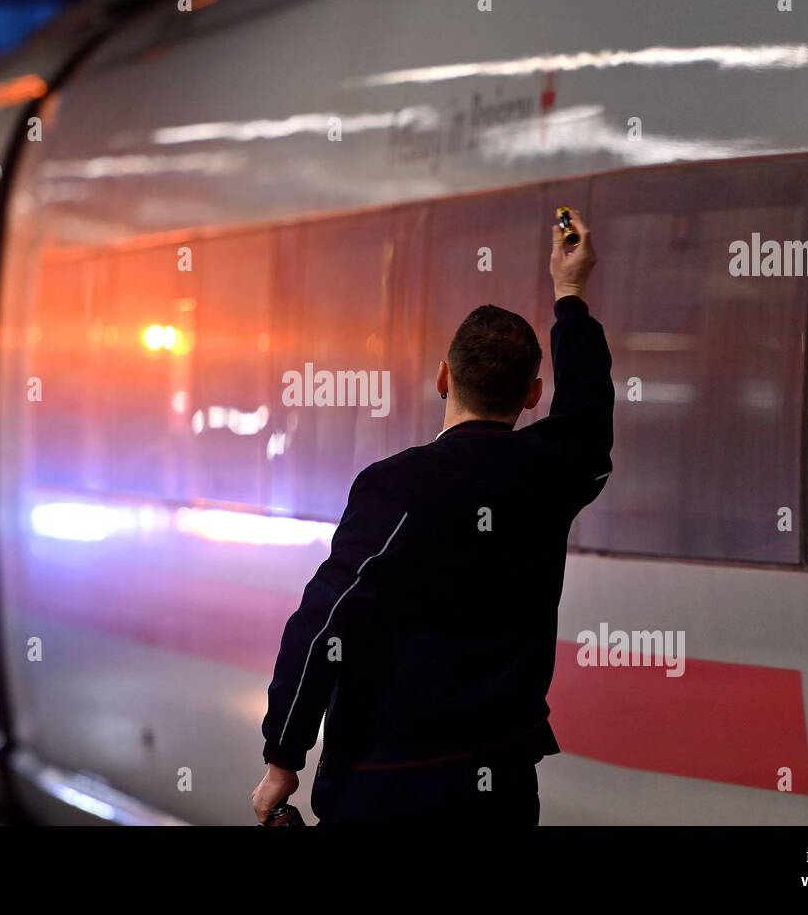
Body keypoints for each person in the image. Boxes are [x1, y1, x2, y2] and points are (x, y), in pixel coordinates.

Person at [252, 208, 612, 825]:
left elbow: (324, 621)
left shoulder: (394, 486)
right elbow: (588, 410)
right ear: (531, 394)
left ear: (443, 377)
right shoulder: (553, 473)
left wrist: (283, 759)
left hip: (385, 786)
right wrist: (570, 294)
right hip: (500, 788)